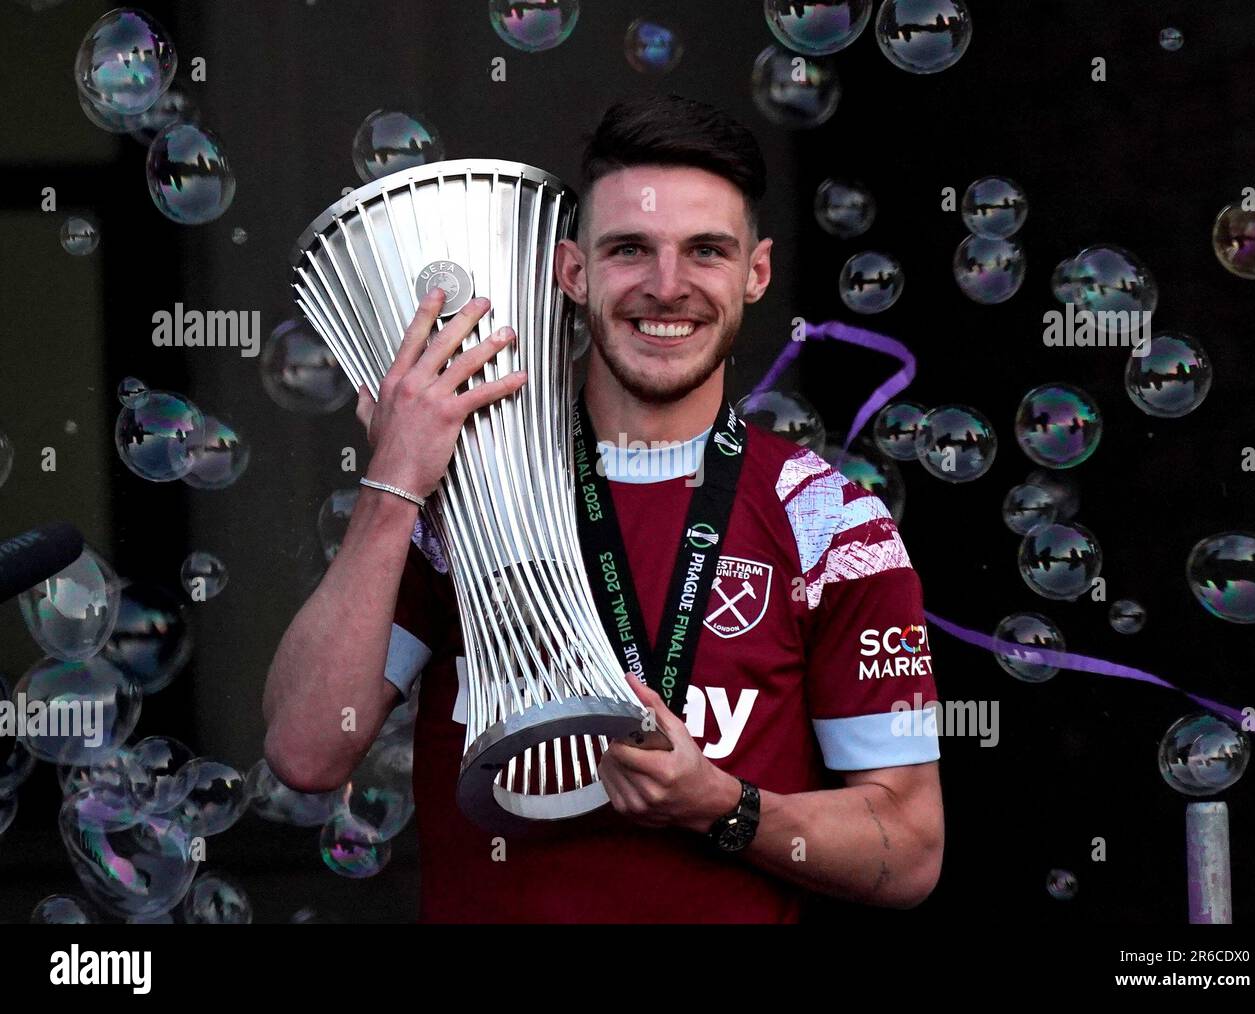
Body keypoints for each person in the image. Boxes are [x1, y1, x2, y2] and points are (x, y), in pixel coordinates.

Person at [262, 93, 943, 923]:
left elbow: (908, 846)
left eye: (706, 251)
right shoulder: (465, 493)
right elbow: (304, 750)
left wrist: (719, 805)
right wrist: (396, 477)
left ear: (755, 273)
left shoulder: (832, 525)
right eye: (629, 250)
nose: (667, 286)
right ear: (572, 272)